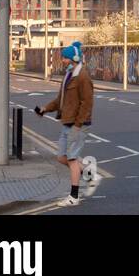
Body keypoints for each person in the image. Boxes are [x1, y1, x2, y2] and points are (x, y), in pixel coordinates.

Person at [35, 41, 102, 207]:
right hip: (67, 122)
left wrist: (78, 125)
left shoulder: (83, 77)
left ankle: (73, 197)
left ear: (74, 58)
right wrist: (45, 109)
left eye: (65, 58)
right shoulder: (69, 75)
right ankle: (91, 175)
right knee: (61, 158)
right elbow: (61, 100)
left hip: (77, 124)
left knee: (72, 159)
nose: (63, 60)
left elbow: (87, 103)